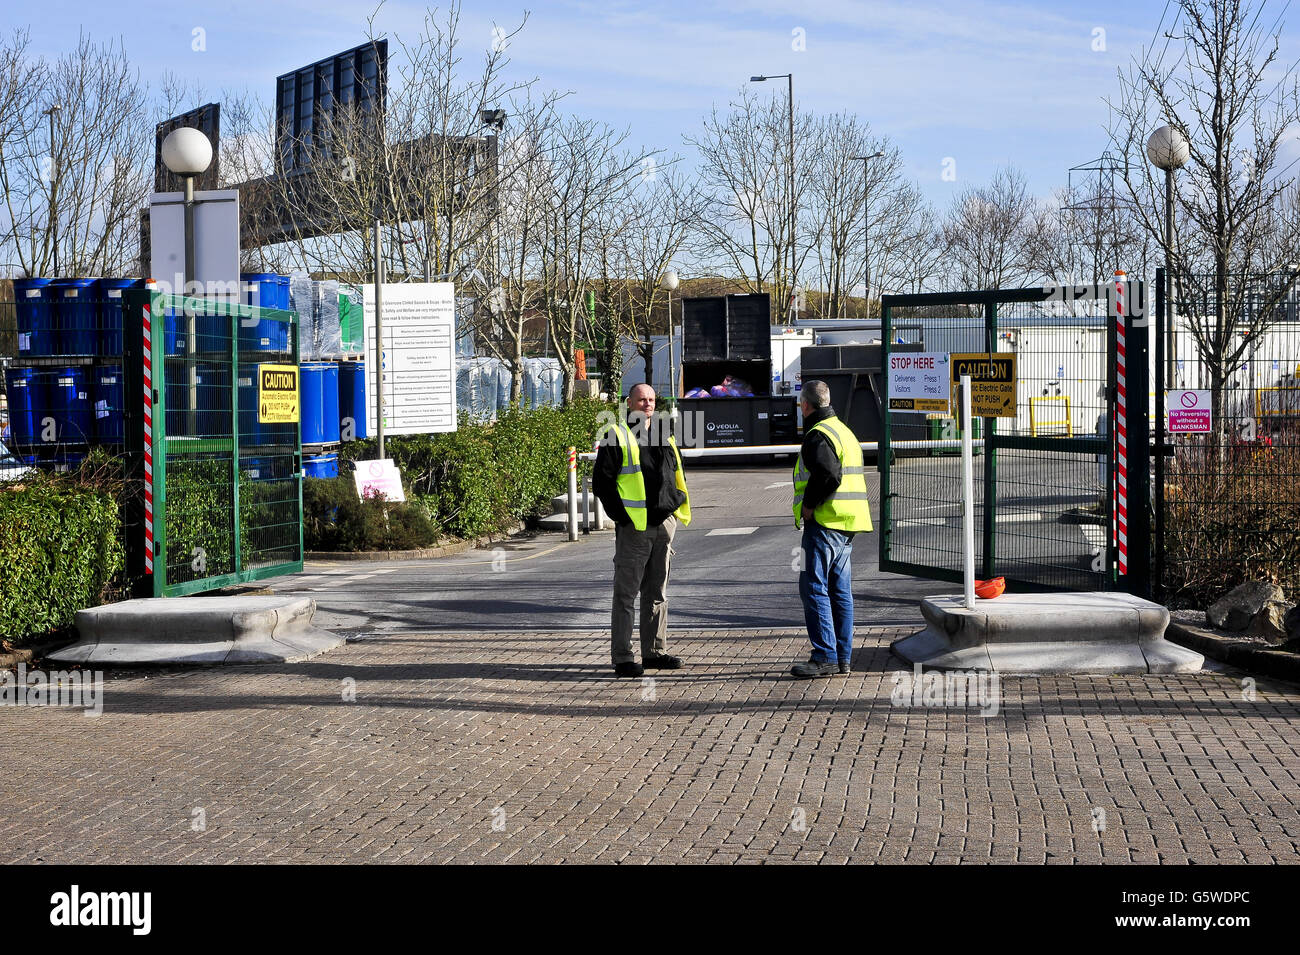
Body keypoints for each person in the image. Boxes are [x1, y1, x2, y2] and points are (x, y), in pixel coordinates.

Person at [593, 383, 692, 678]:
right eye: (641, 400)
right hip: (634, 528)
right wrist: (622, 517)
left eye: (651, 399)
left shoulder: (664, 433)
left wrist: (674, 509)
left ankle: (654, 652)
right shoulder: (616, 434)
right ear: (629, 403)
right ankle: (623, 658)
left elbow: (675, 475)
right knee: (626, 595)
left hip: (663, 525)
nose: (647, 404)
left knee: (657, 593)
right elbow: (603, 484)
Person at [790, 380, 873, 679]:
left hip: (826, 521)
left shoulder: (818, 434)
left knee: (813, 587)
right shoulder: (843, 430)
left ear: (805, 405)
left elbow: (827, 474)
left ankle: (824, 656)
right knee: (839, 591)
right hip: (848, 522)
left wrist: (809, 506)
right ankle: (842, 658)